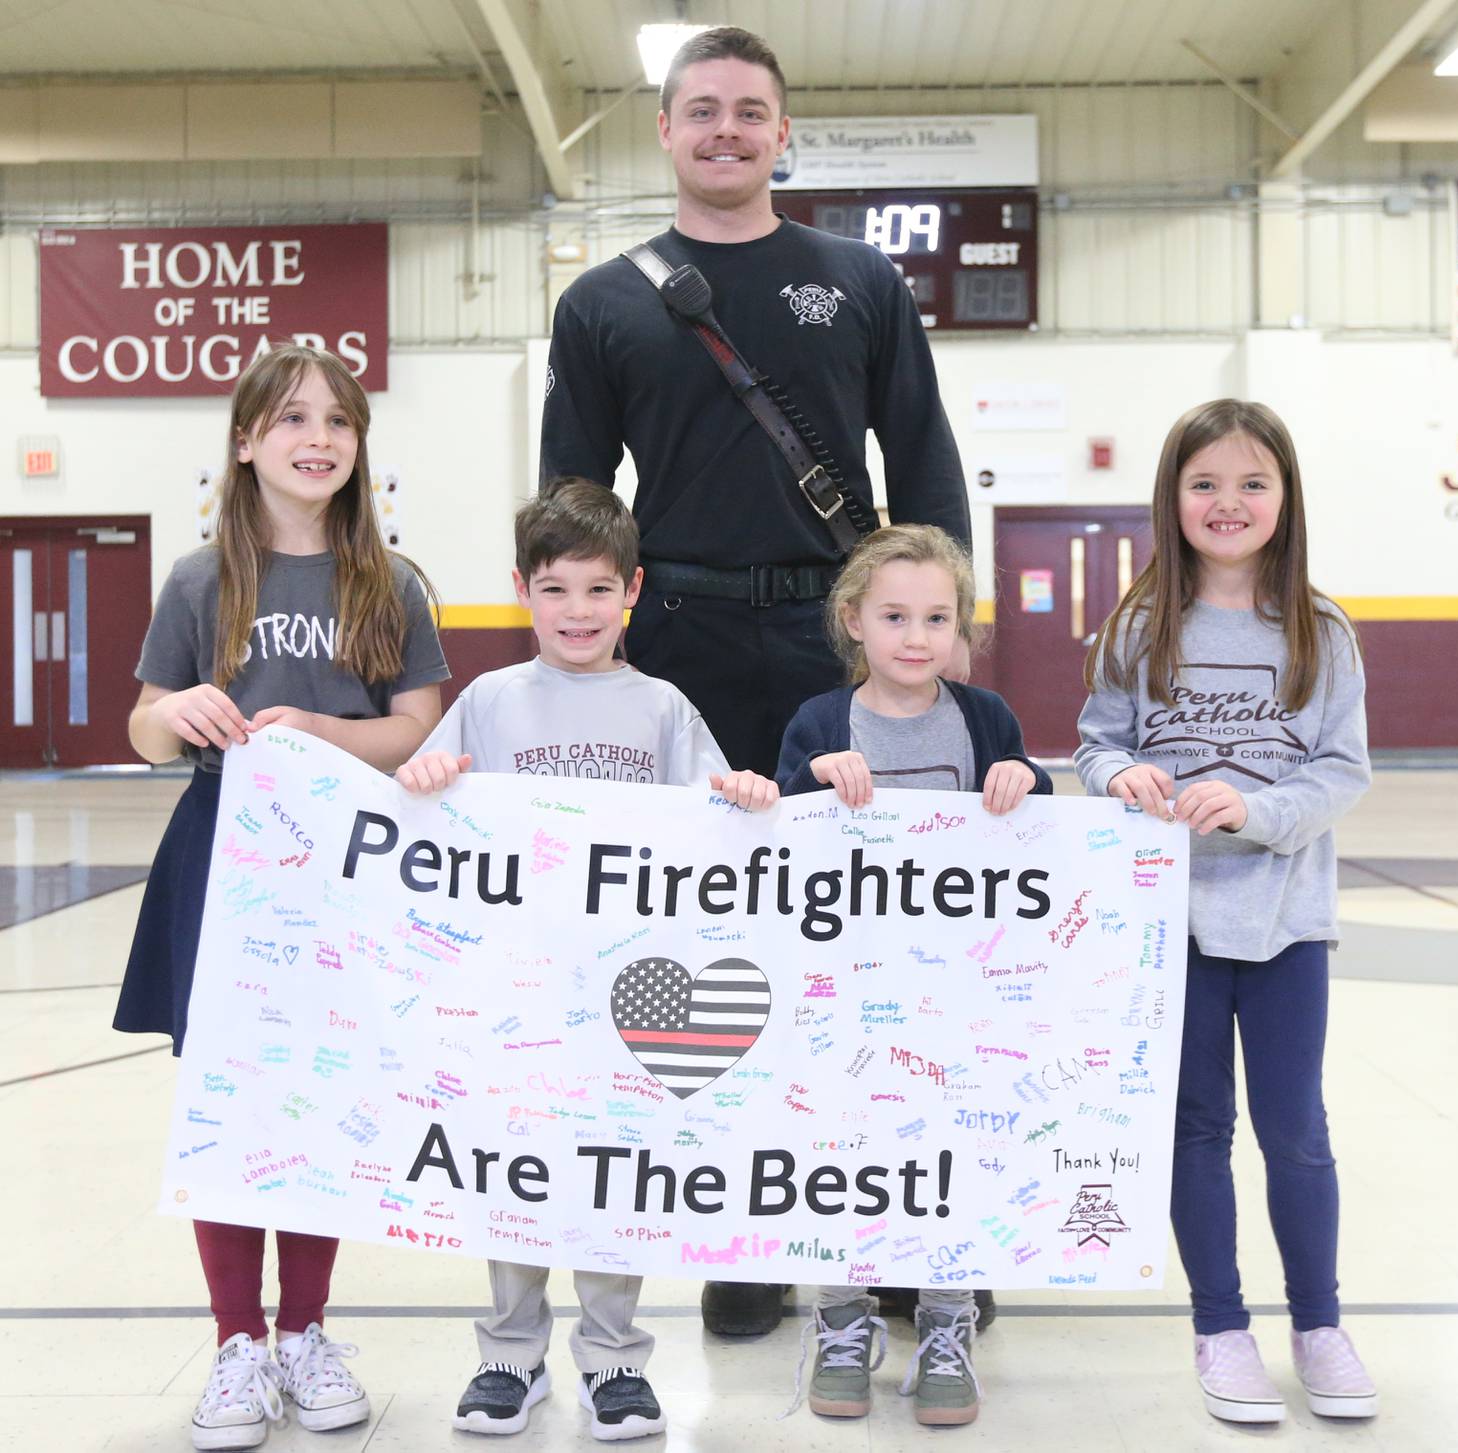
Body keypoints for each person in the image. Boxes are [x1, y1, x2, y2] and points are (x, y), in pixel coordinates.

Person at [540, 22, 970, 1336]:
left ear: (785, 135)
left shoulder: (859, 280)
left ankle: (903, 1239)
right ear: (665, 131)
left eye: (749, 112)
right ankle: (749, 1238)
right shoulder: (601, 304)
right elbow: (573, 501)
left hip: (843, 644)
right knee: (718, 943)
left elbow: (923, 457)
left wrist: (945, 628)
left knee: (876, 938)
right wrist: (578, 657)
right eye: (702, 109)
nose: (725, 130)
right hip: (681, 649)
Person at [115, 343, 449, 1450]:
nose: (319, 438)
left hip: (342, 859)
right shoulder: (199, 579)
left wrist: (318, 731)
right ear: (247, 440)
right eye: (294, 418)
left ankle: (304, 1330)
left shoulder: (388, 581)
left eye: (339, 421)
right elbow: (144, 728)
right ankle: (236, 1343)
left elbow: (416, 726)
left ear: (360, 447)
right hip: (222, 853)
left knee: (316, 1095)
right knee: (227, 1098)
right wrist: (176, 713)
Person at [396, 479, 778, 1443]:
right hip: (516, 991)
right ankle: (510, 1354)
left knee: (613, 1171)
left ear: (633, 591)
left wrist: (738, 793)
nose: (578, 611)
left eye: (600, 589)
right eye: (556, 589)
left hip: (625, 991)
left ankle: (614, 1359)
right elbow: (425, 805)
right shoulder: (487, 701)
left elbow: (712, 821)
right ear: (521, 589)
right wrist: (427, 776)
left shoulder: (663, 707)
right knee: (516, 1169)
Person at [1074, 399, 1377, 1425]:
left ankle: (1319, 1324)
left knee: (1295, 1130)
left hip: (1286, 921)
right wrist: (1117, 778)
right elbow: (1096, 744)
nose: (1227, 501)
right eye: (1203, 482)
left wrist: (1258, 810)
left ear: (1286, 497)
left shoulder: (1320, 630)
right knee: (1195, 1127)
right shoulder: (1135, 627)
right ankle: (1220, 1328)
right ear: (1171, 498)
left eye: (1252, 482)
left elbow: (1342, 769)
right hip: (1173, 925)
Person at [774, 524, 1051, 1425]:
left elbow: (1038, 830)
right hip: (844, 994)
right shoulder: (820, 721)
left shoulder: (985, 718)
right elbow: (777, 845)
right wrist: (811, 782)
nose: (917, 636)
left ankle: (945, 1321)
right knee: (842, 1153)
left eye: (937, 617)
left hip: (957, 999)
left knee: (953, 1153)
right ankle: (841, 1319)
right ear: (853, 619)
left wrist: (1023, 781)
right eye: (895, 616)